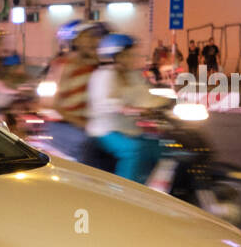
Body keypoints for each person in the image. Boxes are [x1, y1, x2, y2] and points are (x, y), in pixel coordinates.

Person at [86, 33, 162, 183]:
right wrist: (126, 109)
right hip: (105, 131)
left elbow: (146, 97)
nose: (131, 58)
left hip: (129, 130)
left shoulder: (133, 76)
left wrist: (167, 102)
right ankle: (123, 192)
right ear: (114, 56)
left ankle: (149, 188)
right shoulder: (103, 76)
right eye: (126, 55)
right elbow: (103, 103)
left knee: (160, 148)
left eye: (131, 54)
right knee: (133, 150)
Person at [41, 20, 104, 160]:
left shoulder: (95, 65)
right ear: (75, 41)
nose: (95, 41)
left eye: (96, 37)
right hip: (66, 127)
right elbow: (50, 103)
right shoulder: (63, 66)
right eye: (88, 37)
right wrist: (82, 124)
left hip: (88, 125)